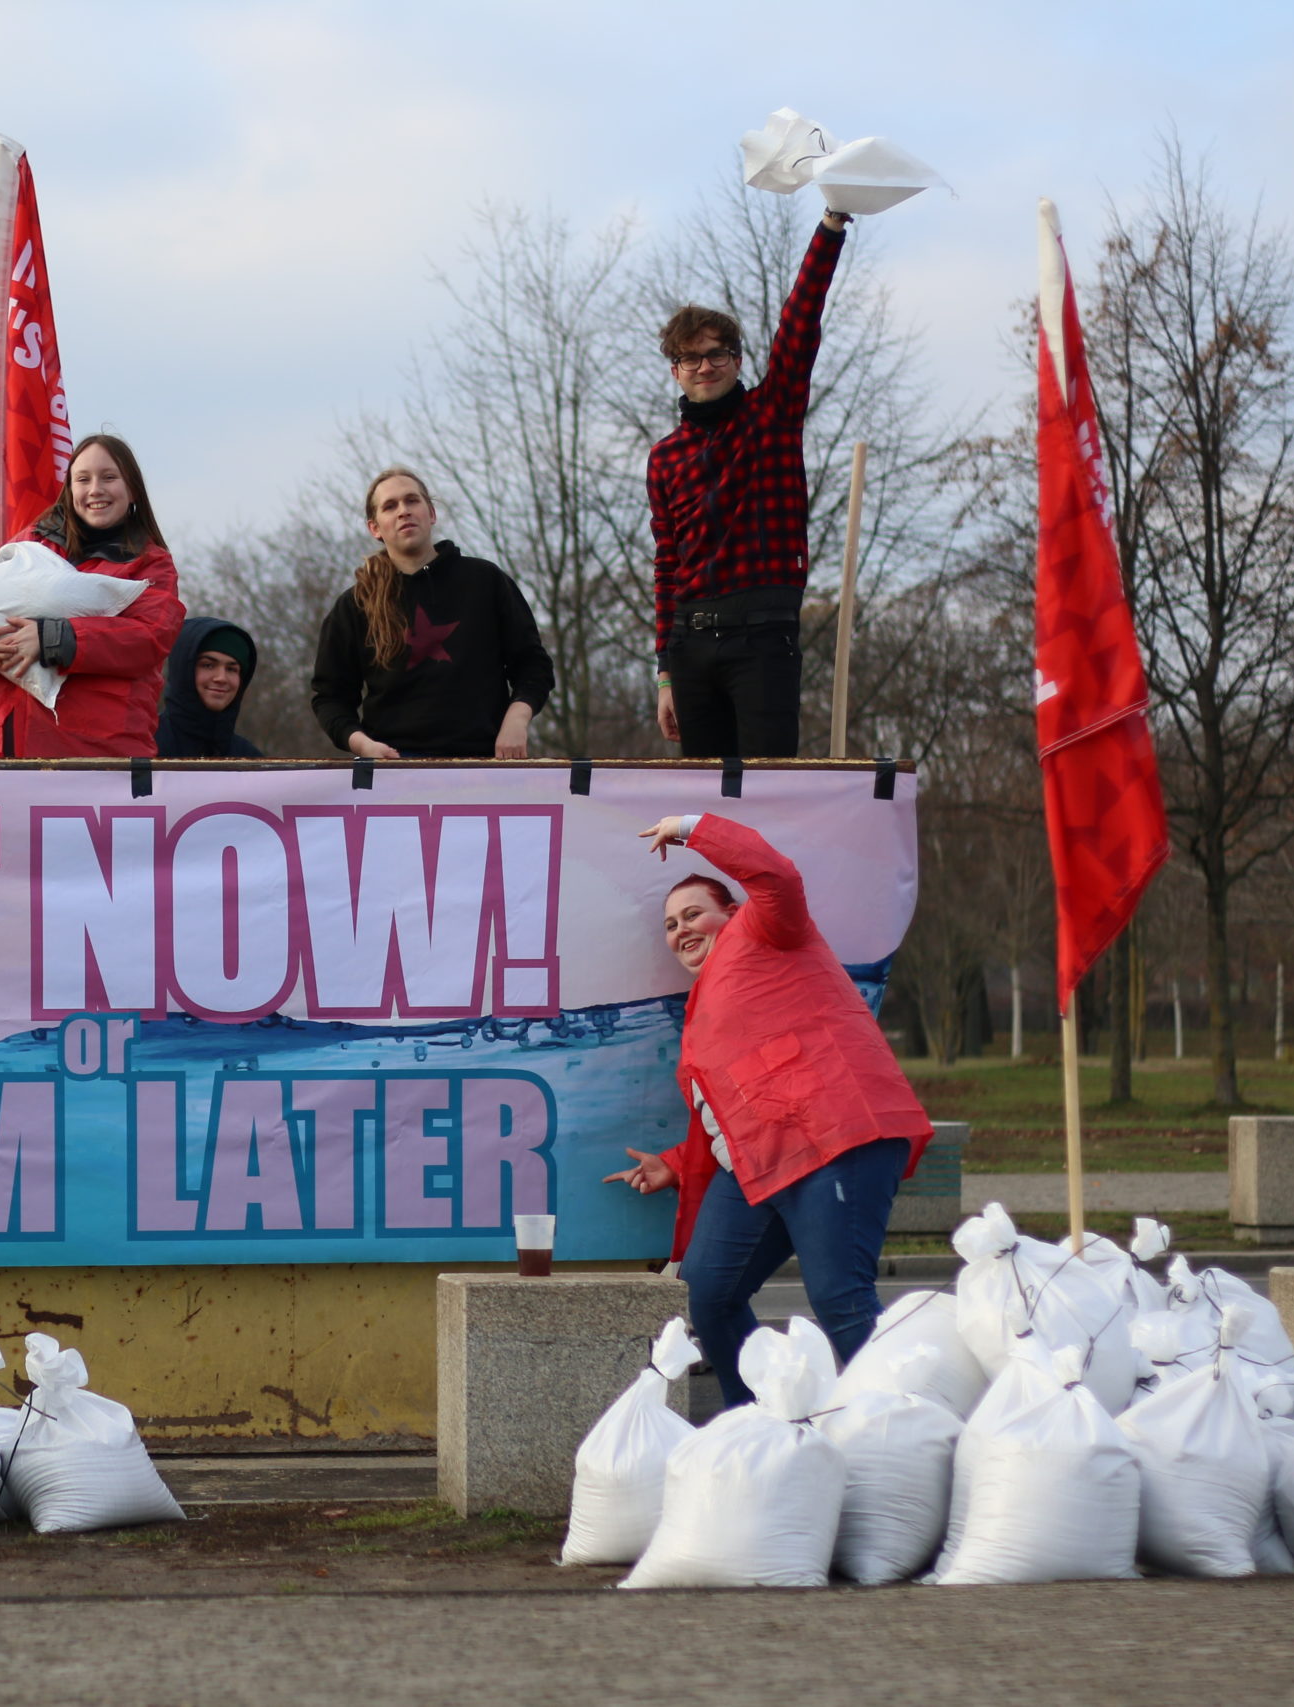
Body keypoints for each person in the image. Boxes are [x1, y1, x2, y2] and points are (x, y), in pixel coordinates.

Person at [602, 812, 932, 1407]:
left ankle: (910, 1430)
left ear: (731, 912)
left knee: (840, 1298)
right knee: (708, 1294)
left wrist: (689, 827)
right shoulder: (702, 1012)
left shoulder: (766, 929)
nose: (680, 930)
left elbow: (775, 874)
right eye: (670, 925)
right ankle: (758, 1427)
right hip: (761, 1167)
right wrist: (678, 1163)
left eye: (693, 913)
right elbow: (744, 1106)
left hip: (837, 1140)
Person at [648, 209, 851, 760]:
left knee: (767, 786)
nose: (703, 365)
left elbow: (800, 322)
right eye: (689, 357)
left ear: (736, 361)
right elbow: (667, 563)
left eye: (716, 354)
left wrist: (830, 227)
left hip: (763, 634)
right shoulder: (665, 456)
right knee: (704, 799)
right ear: (676, 371)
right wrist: (666, 669)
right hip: (691, 643)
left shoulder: (771, 415)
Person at [0, 433, 185, 757]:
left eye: (109, 477)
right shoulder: (27, 544)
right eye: (83, 479)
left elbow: (151, 636)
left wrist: (56, 638)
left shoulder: (151, 565)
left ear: (133, 488)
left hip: (90, 755)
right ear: (70, 489)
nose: (95, 489)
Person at [310, 466, 552, 759]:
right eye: (390, 506)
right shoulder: (355, 604)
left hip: (485, 765)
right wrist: (364, 745)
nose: (403, 511)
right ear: (374, 528)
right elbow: (330, 697)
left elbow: (532, 665)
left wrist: (516, 721)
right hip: (393, 773)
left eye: (412, 500)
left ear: (431, 513)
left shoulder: (486, 581)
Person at [156, 618, 262, 758]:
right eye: (208, 665)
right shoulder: (142, 749)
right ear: (183, 670)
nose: (221, 678)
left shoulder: (250, 761)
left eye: (231, 669)